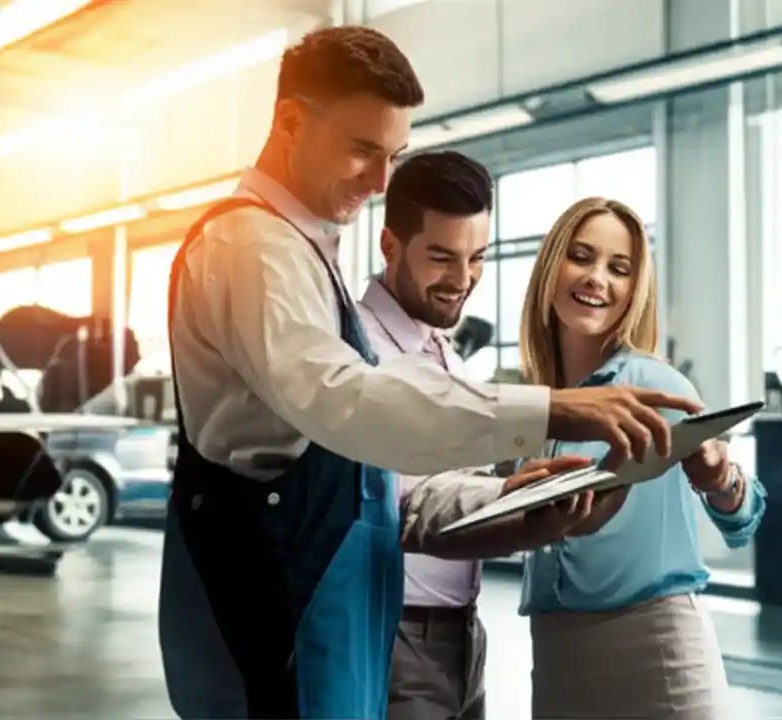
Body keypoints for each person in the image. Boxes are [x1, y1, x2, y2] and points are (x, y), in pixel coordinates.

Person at [159, 25, 701, 720]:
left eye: (393, 156)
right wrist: (551, 408)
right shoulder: (252, 246)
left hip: (328, 600)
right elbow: (342, 401)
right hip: (279, 599)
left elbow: (389, 491)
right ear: (291, 123)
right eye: (363, 149)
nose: (381, 181)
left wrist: (513, 506)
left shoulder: (302, 250)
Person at [514, 196, 768, 719]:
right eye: (580, 257)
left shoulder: (654, 385)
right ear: (550, 266)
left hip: (657, 651)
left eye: (619, 268)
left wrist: (721, 478)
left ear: (635, 290)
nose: (597, 279)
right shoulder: (533, 405)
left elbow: (744, 519)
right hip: (557, 654)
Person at [361, 151, 590, 720]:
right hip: (395, 633)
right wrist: (508, 501)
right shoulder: (359, 354)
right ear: (389, 246)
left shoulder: (443, 351)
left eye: (478, 257)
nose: (462, 280)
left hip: (462, 632)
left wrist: (519, 487)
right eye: (441, 257)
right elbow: (405, 503)